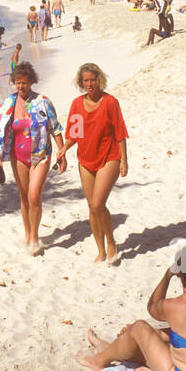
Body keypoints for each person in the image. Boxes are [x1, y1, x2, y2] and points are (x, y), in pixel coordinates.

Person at [0, 61, 67, 255]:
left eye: (24, 82)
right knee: (24, 198)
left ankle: (34, 237)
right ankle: (27, 234)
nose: (20, 86)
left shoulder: (43, 101)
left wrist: (62, 152)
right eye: (17, 82)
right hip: (18, 156)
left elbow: (55, 128)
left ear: (31, 81)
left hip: (40, 155)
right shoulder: (7, 104)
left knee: (34, 196)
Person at [58, 63, 128, 264]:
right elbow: (75, 133)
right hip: (86, 159)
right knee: (91, 207)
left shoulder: (110, 102)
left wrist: (124, 160)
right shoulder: (77, 104)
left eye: (92, 79)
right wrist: (64, 149)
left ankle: (111, 243)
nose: (89, 83)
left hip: (109, 156)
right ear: (81, 82)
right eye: (85, 80)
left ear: (99, 80)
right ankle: (100, 249)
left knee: (98, 204)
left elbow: (120, 133)